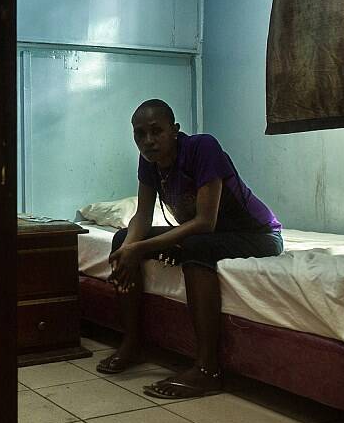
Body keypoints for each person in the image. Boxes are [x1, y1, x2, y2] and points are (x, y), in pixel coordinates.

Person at [95, 99, 283, 399]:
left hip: (257, 235)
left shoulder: (202, 147)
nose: (148, 141)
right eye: (140, 134)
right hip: (211, 235)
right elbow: (142, 216)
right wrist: (128, 249)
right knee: (120, 239)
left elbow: (205, 223)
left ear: (175, 130)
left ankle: (208, 369)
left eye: (156, 131)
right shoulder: (149, 161)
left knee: (196, 245)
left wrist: (140, 247)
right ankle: (133, 342)